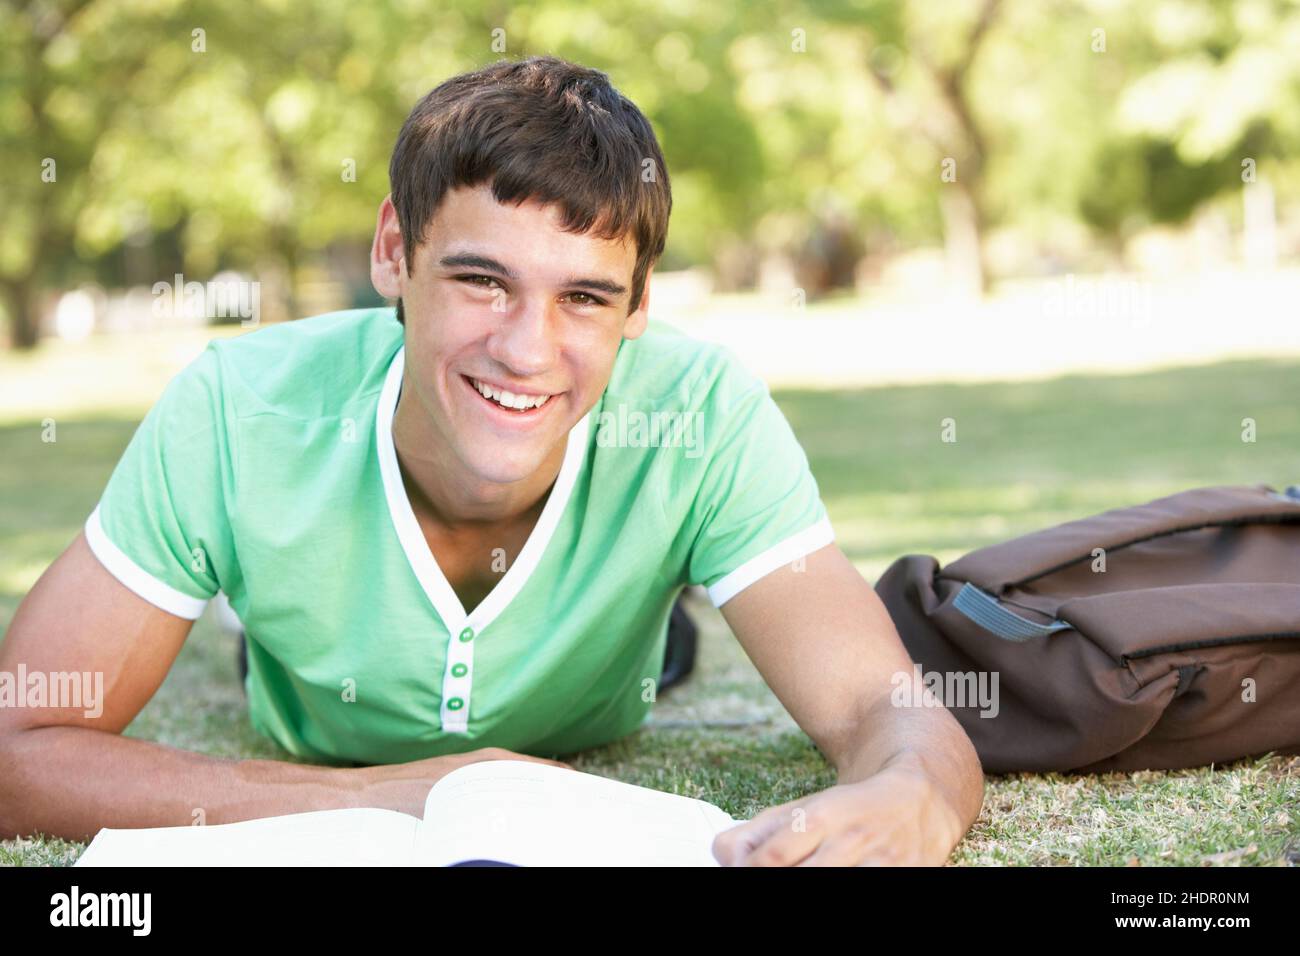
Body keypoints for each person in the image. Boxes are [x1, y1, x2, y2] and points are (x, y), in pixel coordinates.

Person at [0, 56, 982, 865]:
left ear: (640, 305)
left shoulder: (702, 413)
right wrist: (399, 792)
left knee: (662, 649)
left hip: (598, 673)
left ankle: (651, 617)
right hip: (312, 685)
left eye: (586, 299)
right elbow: (18, 744)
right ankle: (247, 613)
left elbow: (879, 707)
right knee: (253, 633)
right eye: (482, 279)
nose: (526, 347)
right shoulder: (232, 409)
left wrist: (917, 791)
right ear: (395, 251)